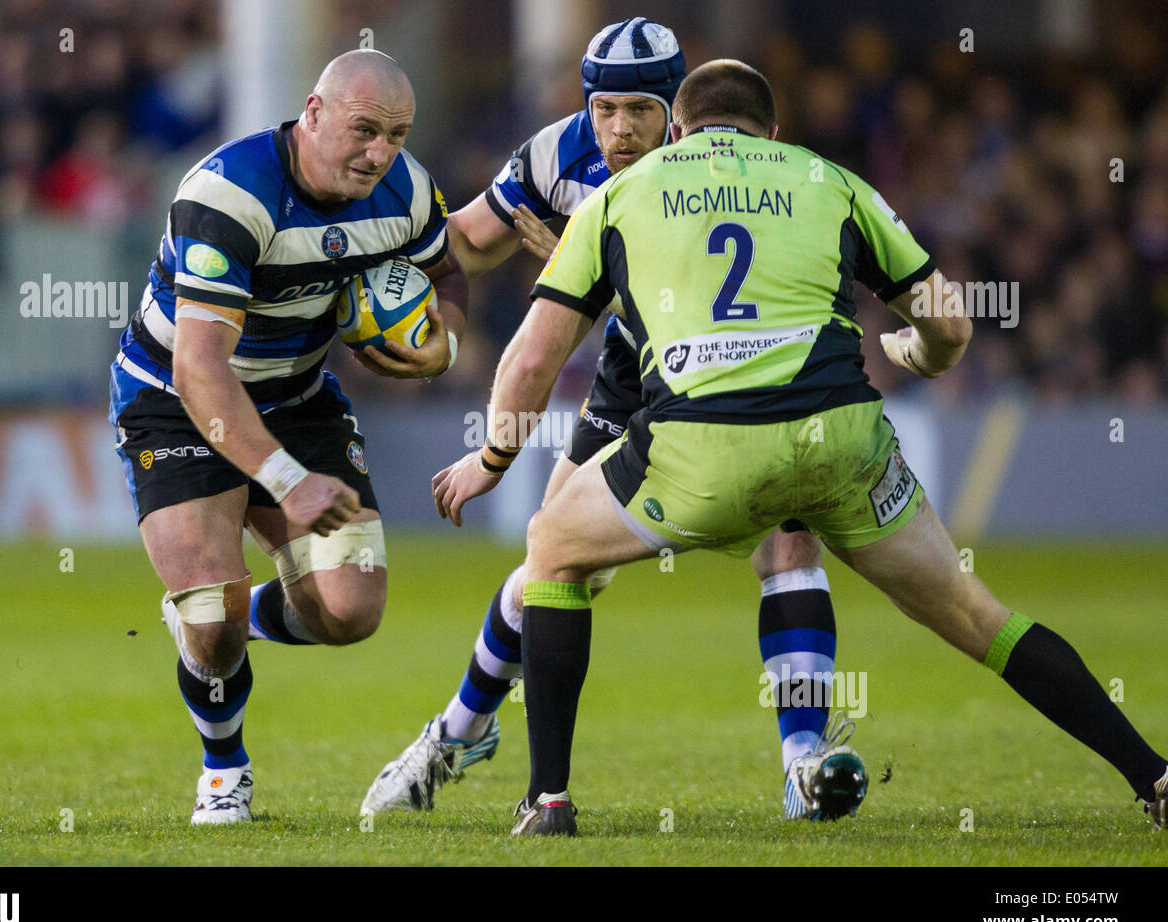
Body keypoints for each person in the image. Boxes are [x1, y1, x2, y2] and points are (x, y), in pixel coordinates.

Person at [431, 59, 1168, 836]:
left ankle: (547, 801)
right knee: (973, 612)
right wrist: (924, 360)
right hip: (843, 441)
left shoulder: (619, 196)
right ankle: (1152, 774)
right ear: (771, 133)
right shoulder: (830, 181)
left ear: (676, 133)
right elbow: (949, 323)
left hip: (702, 448)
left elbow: (533, 360)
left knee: (552, 547)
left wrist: (491, 462)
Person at [362, 18, 864, 824]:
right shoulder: (553, 155)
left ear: (679, 109)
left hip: (736, 368)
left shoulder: (716, 165)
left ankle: (801, 764)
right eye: (604, 108)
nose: (620, 128)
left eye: (640, 108)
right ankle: (458, 731)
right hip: (633, 372)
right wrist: (367, 249)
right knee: (554, 557)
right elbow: (464, 242)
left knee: (788, 540)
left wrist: (571, 252)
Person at [108, 50, 468, 824]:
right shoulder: (228, 197)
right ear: (312, 113)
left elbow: (449, 274)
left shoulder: (404, 190)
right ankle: (223, 768)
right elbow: (201, 369)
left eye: (396, 136)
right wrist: (286, 479)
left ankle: (239, 616)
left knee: (350, 612)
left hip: (298, 396)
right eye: (364, 130)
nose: (380, 153)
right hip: (174, 397)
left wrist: (447, 346)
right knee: (209, 620)